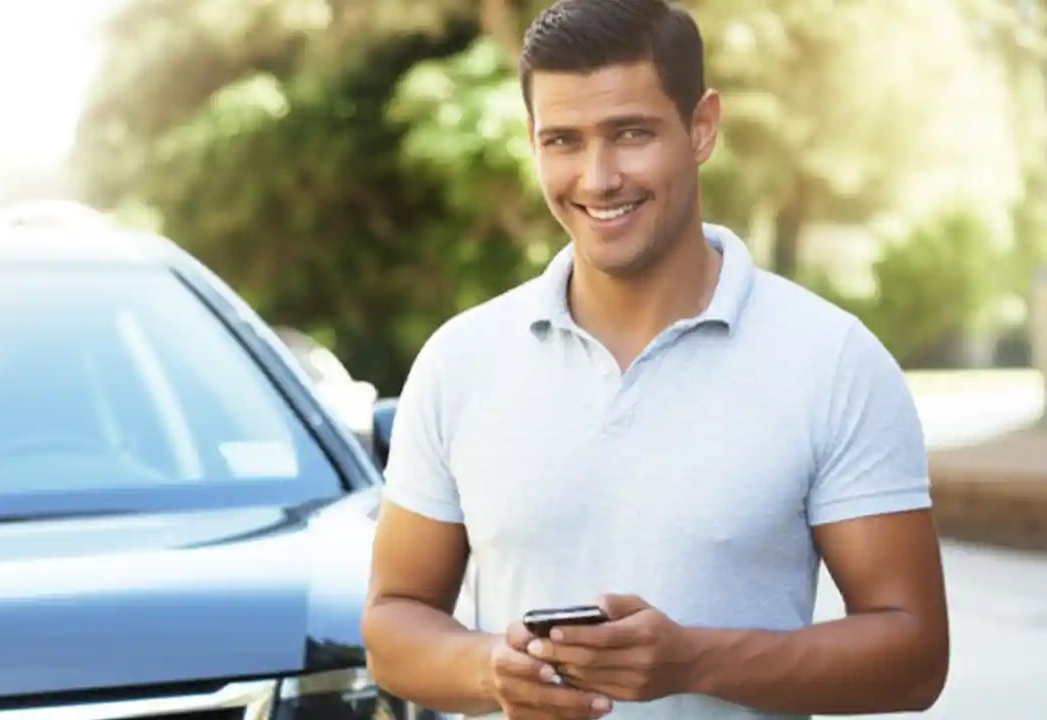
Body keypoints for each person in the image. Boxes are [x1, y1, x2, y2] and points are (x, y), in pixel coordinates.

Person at [361, 0, 950, 717]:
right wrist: (490, 669)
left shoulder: (833, 361)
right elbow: (392, 624)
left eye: (630, 133)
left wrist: (696, 659)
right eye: (564, 142)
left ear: (701, 128)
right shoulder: (461, 360)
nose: (599, 177)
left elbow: (914, 656)